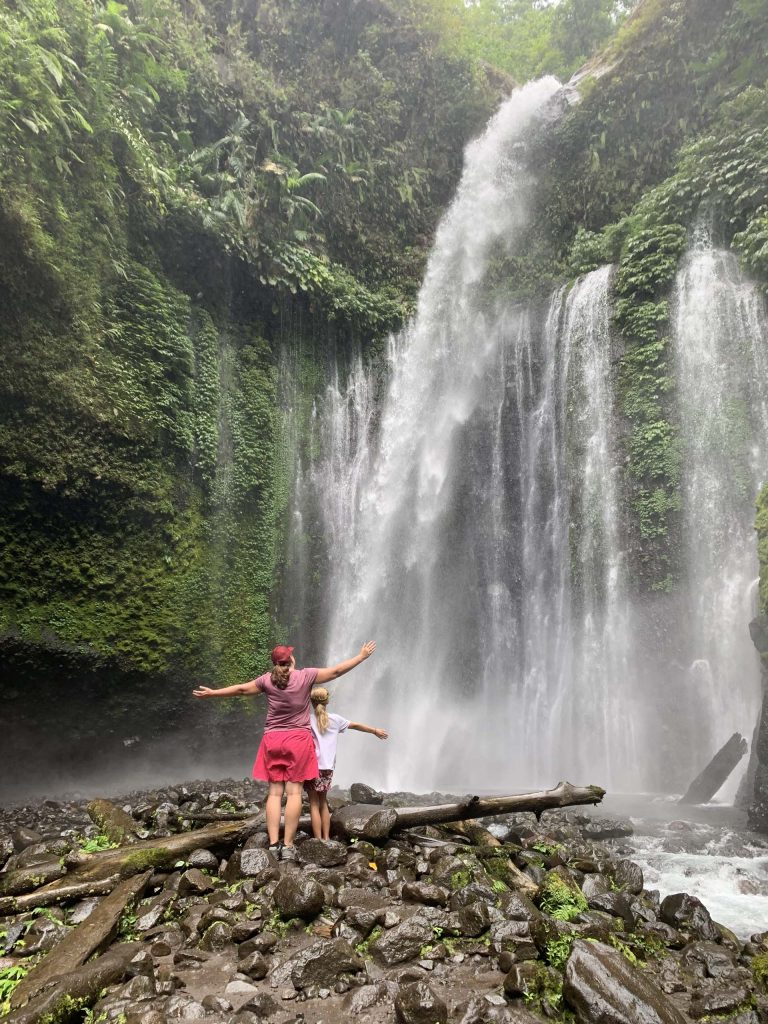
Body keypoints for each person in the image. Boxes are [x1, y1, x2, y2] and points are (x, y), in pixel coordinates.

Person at [192, 640, 376, 860]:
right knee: (295, 793)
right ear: (291, 660)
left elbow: (242, 689)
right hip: (297, 740)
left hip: (273, 740)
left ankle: (272, 844)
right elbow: (336, 672)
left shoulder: (267, 681)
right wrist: (361, 656)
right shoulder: (305, 676)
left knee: (274, 793)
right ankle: (288, 845)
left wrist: (213, 693)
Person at [306, 686, 388, 840]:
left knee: (313, 804)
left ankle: (317, 840)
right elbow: (356, 725)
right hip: (328, 767)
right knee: (323, 802)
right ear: (327, 701)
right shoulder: (335, 719)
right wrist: (375, 730)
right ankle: (327, 838)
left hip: (311, 766)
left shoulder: (306, 719)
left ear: (311, 701)